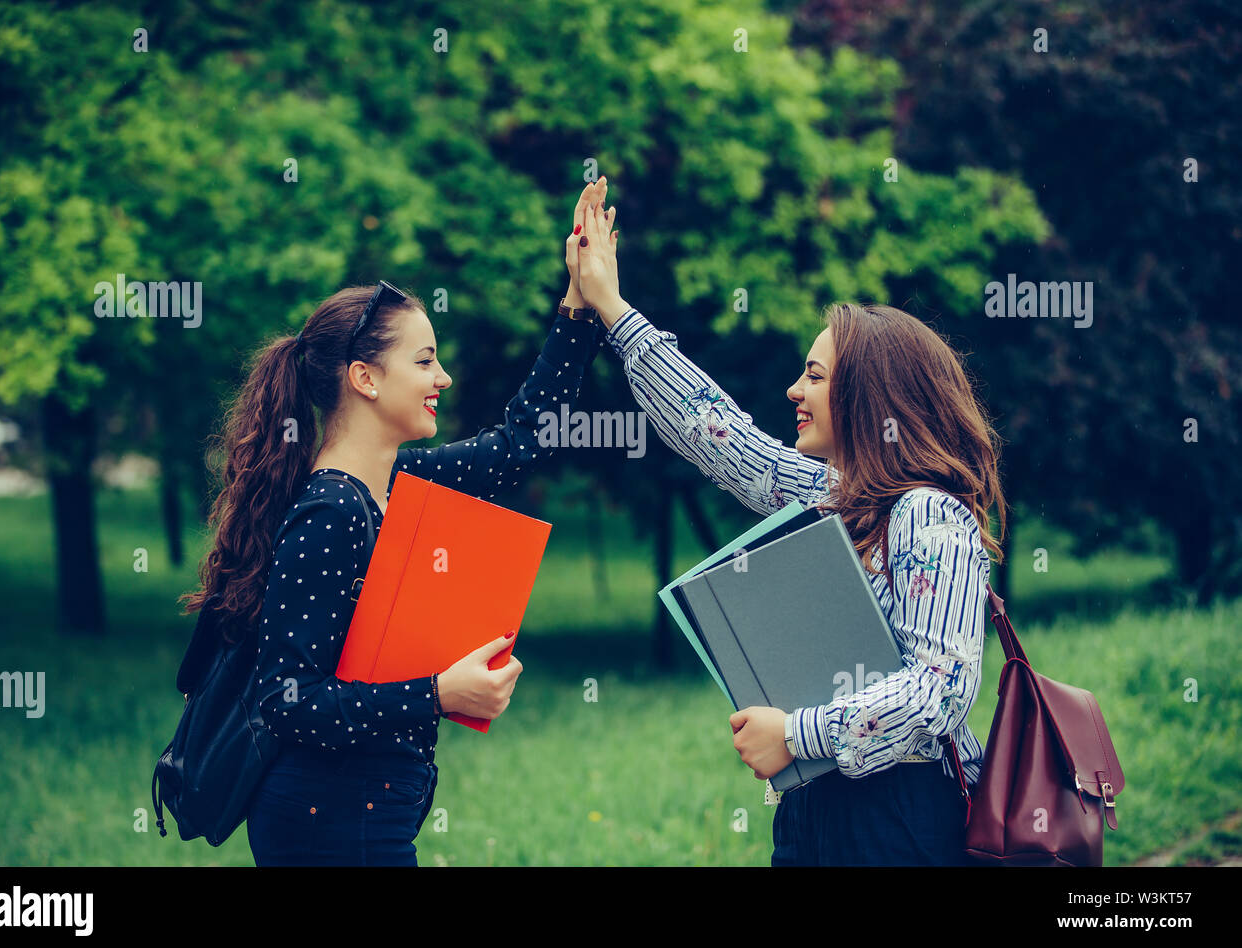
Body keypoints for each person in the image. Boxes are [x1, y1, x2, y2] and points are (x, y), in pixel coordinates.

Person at [180, 178, 615, 865]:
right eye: (424, 360)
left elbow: (521, 443)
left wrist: (580, 306)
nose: (443, 377)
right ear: (365, 378)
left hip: (362, 818)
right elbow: (288, 701)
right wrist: (440, 694)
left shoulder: (394, 486)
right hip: (326, 826)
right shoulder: (330, 511)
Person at [573, 179, 1007, 866]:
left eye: (815, 376)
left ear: (870, 395)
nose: (794, 390)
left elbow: (942, 690)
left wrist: (798, 735)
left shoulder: (928, 513)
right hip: (814, 808)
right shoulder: (838, 496)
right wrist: (612, 308)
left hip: (899, 817)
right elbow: (720, 435)